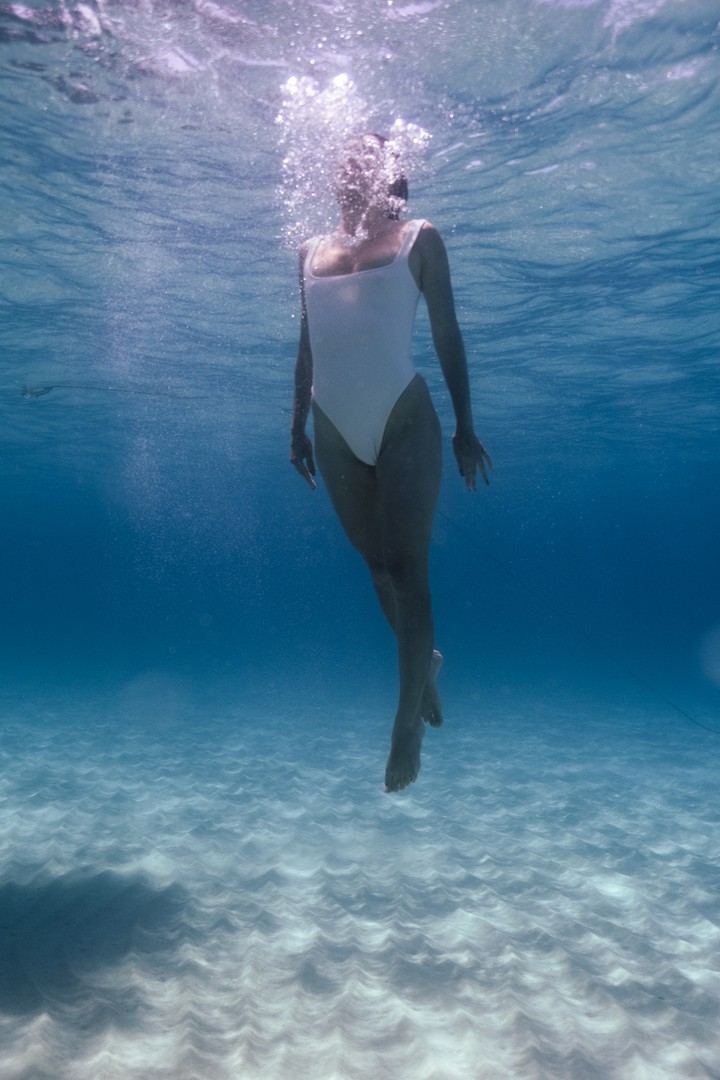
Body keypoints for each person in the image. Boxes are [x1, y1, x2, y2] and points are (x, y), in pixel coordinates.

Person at [290, 133, 491, 792]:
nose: (347, 168)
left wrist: (465, 425)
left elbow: (446, 333)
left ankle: (405, 726)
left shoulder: (419, 238)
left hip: (405, 418)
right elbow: (307, 347)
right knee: (376, 566)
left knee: (408, 568)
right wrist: (296, 426)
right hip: (333, 423)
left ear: (386, 172)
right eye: (341, 158)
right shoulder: (310, 252)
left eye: (361, 158)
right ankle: (423, 667)